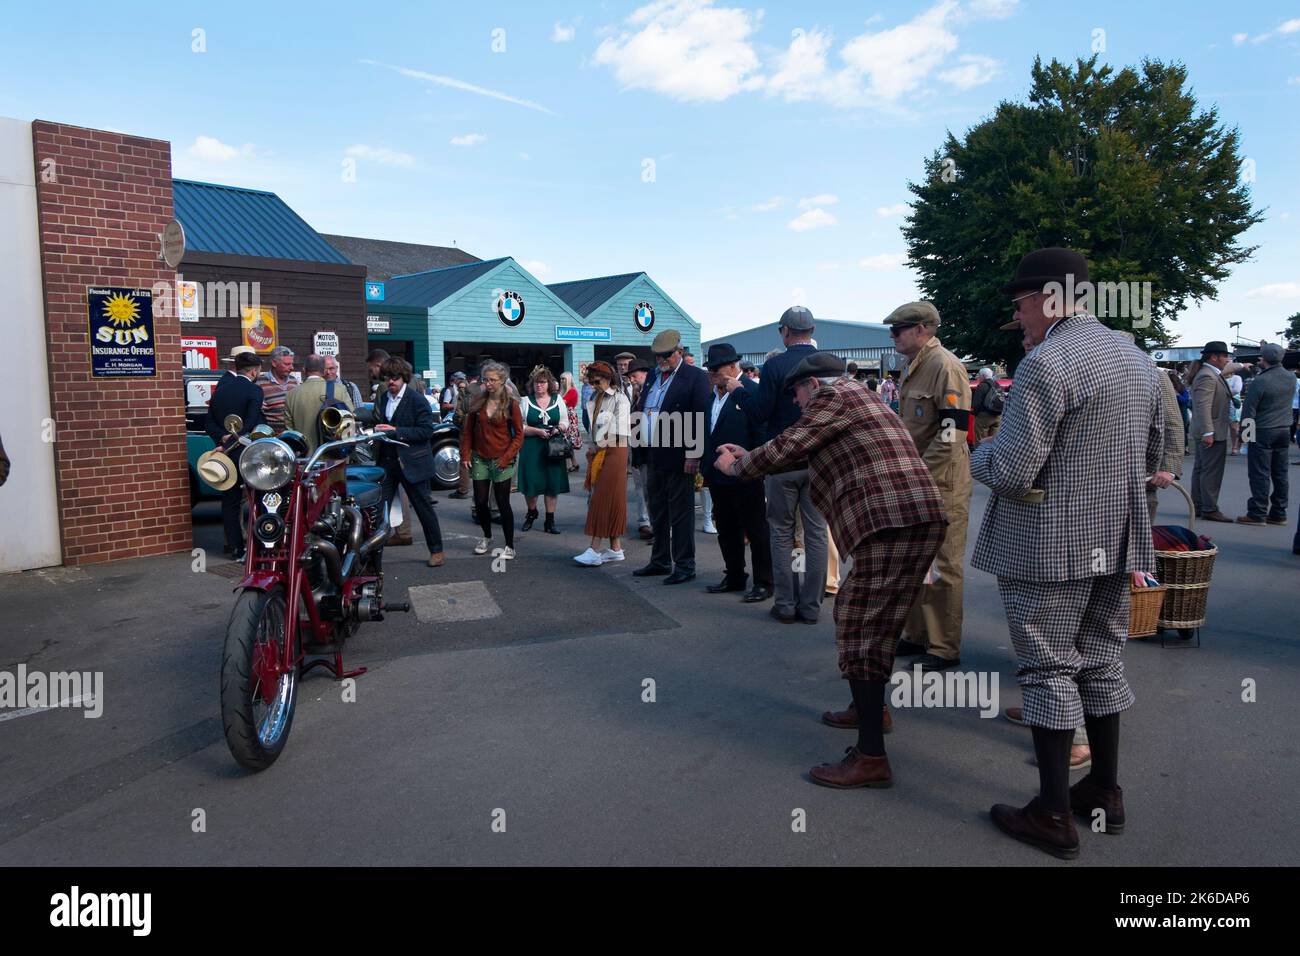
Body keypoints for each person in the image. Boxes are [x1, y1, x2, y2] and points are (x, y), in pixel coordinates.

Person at [972, 247, 1163, 860]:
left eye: (1022, 302)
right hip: (1121, 537)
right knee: (1103, 661)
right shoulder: (1135, 358)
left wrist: (973, 457)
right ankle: (1104, 791)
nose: (1019, 314)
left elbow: (1014, 466)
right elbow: (1156, 450)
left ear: (1048, 299)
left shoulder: (1046, 364)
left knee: (1048, 667)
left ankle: (1053, 814)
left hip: (1050, 545)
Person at [716, 352, 946, 788]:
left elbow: (792, 443)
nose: (799, 405)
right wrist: (753, 455)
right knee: (873, 624)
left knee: (858, 623)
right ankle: (868, 710)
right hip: (912, 518)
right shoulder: (859, 396)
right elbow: (802, 452)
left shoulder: (833, 396)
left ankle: (871, 756)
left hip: (890, 521)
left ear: (814, 386)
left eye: (798, 395)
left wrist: (739, 466)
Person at [887, 301, 972, 672]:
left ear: (922, 329)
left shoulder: (945, 367)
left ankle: (943, 647)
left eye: (899, 329)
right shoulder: (913, 367)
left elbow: (954, 433)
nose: (893, 335)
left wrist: (918, 472)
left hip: (941, 482)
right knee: (917, 561)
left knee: (943, 566)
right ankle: (917, 634)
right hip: (920, 479)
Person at [729, 307, 829, 624]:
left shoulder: (774, 365)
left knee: (782, 533)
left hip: (782, 460)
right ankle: (811, 606)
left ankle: (785, 604)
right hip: (819, 460)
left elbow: (759, 412)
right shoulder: (828, 365)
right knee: (816, 534)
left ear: (784, 331)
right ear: (812, 329)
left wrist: (740, 393)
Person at [631, 329, 712, 585]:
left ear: (679, 351)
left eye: (666, 355)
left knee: (681, 513)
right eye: (657, 356)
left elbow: (699, 417)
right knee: (658, 511)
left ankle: (685, 565)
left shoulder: (694, 377)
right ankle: (661, 560)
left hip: (679, 455)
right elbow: (643, 409)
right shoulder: (655, 376)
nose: (661, 360)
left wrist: (693, 455)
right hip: (653, 452)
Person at [701, 343, 772, 602]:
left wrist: (754, 465)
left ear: (733, 366)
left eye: (717, 369)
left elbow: (762, 434)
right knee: (727, 528)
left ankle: (764, 581)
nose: (712, 374)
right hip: (719, 474)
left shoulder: (752, 391)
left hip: (746, 473)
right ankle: (734, 575)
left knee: (755, 529)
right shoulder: (713, 396)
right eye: (710, 369)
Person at [372, 358, 444, 568]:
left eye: (394, 378)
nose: (390, 382)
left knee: (423, 508)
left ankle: (437, 550)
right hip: (387, 461)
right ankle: (372, 555)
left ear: (404, 378)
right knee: (378, 509)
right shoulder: (385, 397)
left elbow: (426, 431)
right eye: (387, 378)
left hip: (412, 462)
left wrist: (396, 432)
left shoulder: (417, 400)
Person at [206, 348, 265, 559]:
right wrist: (232, 440)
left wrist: (222, 439)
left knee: (230, 503)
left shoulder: (220, 390)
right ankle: (260, 546)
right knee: (260, 499)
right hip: (249, 454)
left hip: (225, 455)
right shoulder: (254, 391)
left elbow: (208, 423)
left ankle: (236, 548)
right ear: (254, 371)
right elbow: (250, 423)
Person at [461, 360, 523, 559]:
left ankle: (510, 545)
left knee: (503, 503)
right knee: (480, 502)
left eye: (492, 380)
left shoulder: (511, 403)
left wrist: (506, 458)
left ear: (502, 381)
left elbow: (519, 435)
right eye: (485, 379)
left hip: (502, 458)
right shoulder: (478, 401)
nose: (488, 383)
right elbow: (468, 430)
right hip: (480, 457)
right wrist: (465, 454)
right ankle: (487, 537)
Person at [574, 362, 631, 566]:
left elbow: (620, 431)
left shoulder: (620, 399)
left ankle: (594, 549)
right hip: (602, 449)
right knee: (612, 499)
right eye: (591, 381)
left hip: (615, 450)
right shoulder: (596, 397)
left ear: (608, 378)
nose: (593, 384)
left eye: (596, 381)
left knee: (601, 498)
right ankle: (615, 548)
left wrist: (596, 446)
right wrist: (593, 446)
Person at [1238, 342, 1292, 526]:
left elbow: (1249, 411)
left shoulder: (1260, 380)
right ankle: (1279, 512)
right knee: (1280, 473)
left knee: (1260, 473)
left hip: (1263, 430)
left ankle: (1258, 512)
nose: (1258, 359)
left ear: (1265, 359)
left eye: (1260, 356)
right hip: (1284, 429)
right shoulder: (1290, 377)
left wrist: (1245, 437)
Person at [517, 365, 570, 534]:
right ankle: (532, 513)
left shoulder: (558, 400)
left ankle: (550, 520)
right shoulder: (525, 401)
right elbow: (520, 427)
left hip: (553, 447)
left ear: (549, 383)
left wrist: (558, 429)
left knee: (552, 484)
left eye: (542, 382)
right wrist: (537, 431)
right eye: (536, 383)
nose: (539, 385)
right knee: (531, 484)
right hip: (532, 447)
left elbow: (565, 422)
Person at [1189, 341, 1234, 522]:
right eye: (1224, 356)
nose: (1227, 359)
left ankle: (1199, 505)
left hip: (1210, 430)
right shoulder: (1208, 375)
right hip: (1212, 431)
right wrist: (1209, 432)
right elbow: (1202, 405)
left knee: (1202, 469)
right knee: (1211, 472)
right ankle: (1209, 508)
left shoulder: (1209, 373)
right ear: (1213, 357)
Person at [284, 354, 355, 456]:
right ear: (323, 370)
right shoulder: (339, 389)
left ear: (304, 370)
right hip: (334, 458)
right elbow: (350, 418)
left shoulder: (291, 394)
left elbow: (290, 431)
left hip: (306, 459)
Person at [626, 360, 654, 539]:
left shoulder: (652, 392)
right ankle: (654, 529)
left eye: (634, 376)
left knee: (653, 493)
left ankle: (662, 532)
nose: (632, 379)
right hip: (638, 450)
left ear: (644, 374)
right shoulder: (638, 393)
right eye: (630, 377)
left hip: (651, 451)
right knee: (645, 491)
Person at [256, 345, 298, 433]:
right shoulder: (260, 382)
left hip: (292, 435)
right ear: (274, 363)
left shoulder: (294, 381)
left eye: (292, 364)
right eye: (287, 364)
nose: (291, 368)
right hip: (271, 438)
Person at [972, 367, 1003, 441]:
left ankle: (980, 452)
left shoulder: (982, 386)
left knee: (980, 439)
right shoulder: (997, 385)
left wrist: (975, 413)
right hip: (998, 416)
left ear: (983, 376)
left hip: (984, 417)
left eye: (979, 375)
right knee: (994, 440)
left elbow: (976, 403)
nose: (978, 377)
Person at [559, 371, 581, 474]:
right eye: (561, 379)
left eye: (563, 379)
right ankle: (574, 463)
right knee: (567, 441)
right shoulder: (563, 391)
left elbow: (562, 403)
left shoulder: (571, 391)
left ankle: (568, 465)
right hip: (564, 415)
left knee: (567, 441)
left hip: (569, 416)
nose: (561, 381)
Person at [1227, 363, 1245, 454]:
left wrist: (1224, 392)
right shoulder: (1221, 377)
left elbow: (1237, 390)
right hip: (1222, 403)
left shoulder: (1236, 378)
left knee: (1234, 426)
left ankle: (1235, 445)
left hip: (1233, 403)